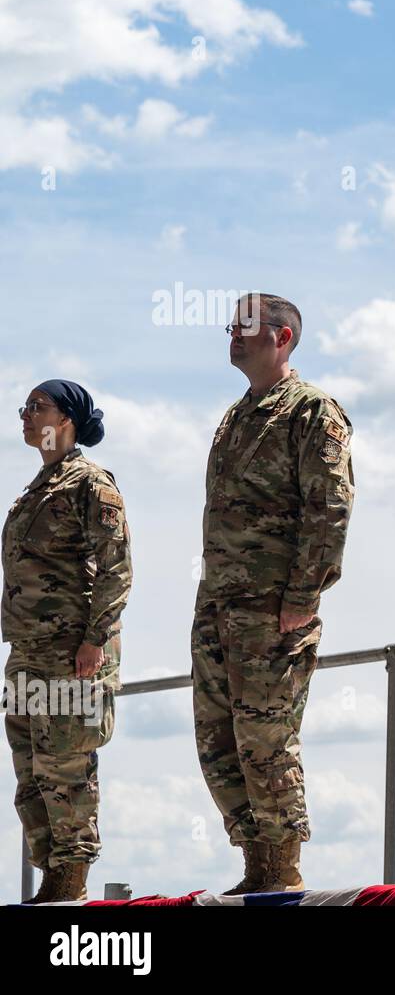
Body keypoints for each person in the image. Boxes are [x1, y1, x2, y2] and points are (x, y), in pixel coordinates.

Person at [192, 293, 355, 893]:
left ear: (282, 338)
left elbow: (330, 507)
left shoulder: (313, 412)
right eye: (231, 325)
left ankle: (282, 865)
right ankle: (254, 861)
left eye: (247, 326)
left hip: (272, 608)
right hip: (218, 605)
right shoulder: (235, 417)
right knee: (217, 741)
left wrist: (304, 595)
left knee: (266, 737)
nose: (233, 334)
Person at [3, 380, 130, 902]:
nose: (27, 416)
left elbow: (117, 569)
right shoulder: (39, 486)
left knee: (66, 769)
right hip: (27, 653)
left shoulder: (89, 483)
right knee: (32, 773)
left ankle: (70, 879)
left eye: (39, 407)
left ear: (69, 417)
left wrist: (94, 639)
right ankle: (50, 874)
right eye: (24, 408)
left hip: (69, 655)